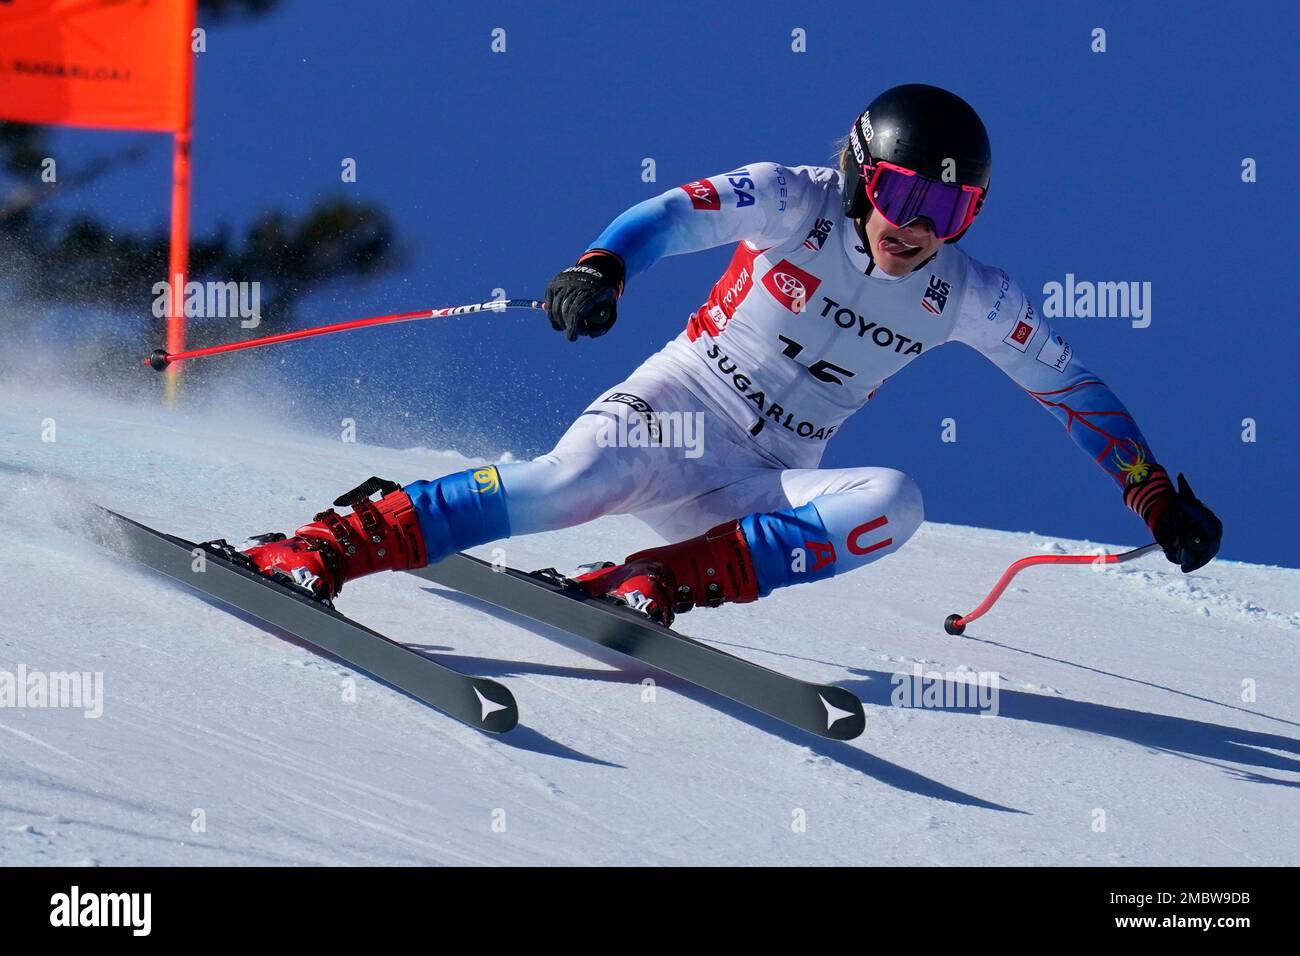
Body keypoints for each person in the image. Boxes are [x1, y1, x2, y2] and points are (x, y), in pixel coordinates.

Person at [241, 83, 1222, 625]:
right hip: (676, 410)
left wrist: (1151, 495)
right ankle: (328, 545)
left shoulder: (965, 293)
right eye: (903, 194)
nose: (918, 226)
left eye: (948, 209)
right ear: (854, 171)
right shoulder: (787, 197)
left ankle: (659, 578)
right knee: (566, 484)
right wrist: (604, 267)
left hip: (756, 483)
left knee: (895, 504)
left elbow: (1072, 388)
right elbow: (666, 216)